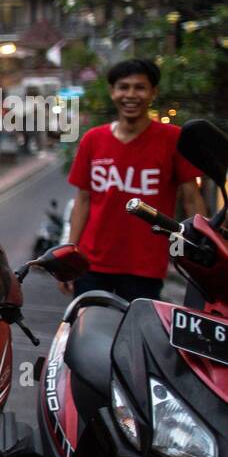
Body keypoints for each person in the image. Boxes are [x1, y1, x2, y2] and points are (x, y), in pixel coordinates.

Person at [63, 58, 205, 302]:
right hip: (92, 264)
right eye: (123, 87)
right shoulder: (92, 140)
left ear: (153, 92)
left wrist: (204, 247)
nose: (130, 94)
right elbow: (83, 201)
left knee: (135, 338)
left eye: (139, 87)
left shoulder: (174, 138)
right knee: (86, 333)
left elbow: (192, 198)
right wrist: (69, 256)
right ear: (112, 92)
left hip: (146, 267)